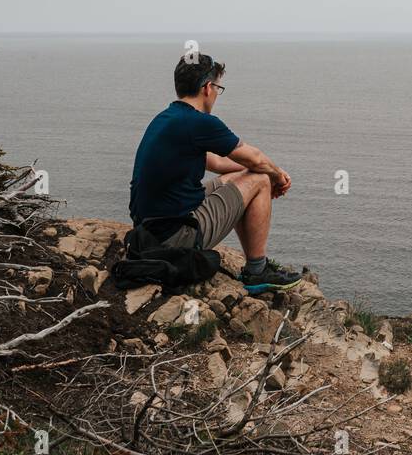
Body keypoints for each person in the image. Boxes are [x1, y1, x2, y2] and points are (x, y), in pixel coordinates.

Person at [128, 52, 299, 289]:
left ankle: (256, 266)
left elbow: (217, 163)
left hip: (148, 232)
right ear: (208, 87)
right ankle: (257, 271)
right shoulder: (200, 122)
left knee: (237, 176)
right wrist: (276, 175)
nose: (217, 94)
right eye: (218, 87)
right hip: (176, 237)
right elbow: (257, 160)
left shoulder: (167, 118)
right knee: (260, 178)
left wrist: (260, 170)